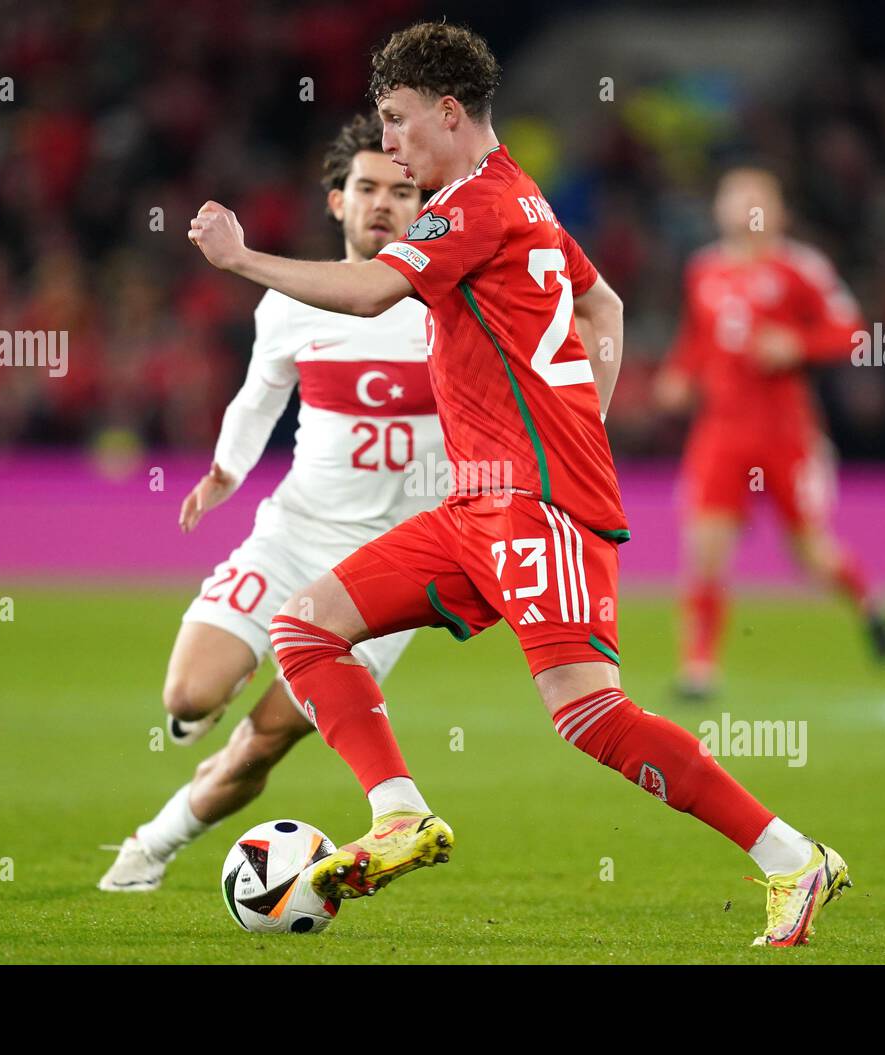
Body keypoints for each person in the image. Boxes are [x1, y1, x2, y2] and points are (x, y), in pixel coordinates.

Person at [188, 22, 851, 947]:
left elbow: (374, 291)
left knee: (590, 715)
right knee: (305, 625)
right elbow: (603, 304)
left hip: (537, 507)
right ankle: (399, 813)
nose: (391, 144)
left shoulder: (470, 208)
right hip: (478, 505)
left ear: (448, 111)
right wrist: (584, 418)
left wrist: (242, 259)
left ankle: (792, 856)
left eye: (399, 120)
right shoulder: (520, 199)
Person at [100, 114, 442, 891]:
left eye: (402, 189)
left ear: (425, 206)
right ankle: (200, 709)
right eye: (366, 188)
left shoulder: (449, 308)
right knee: (188, 694)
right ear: (336, 202)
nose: (383, 203)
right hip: (291, 535)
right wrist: (225, 470)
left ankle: (148, 847)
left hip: (382, 573)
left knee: (263, 742)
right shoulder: (291, 303)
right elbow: (259, 399)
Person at [654, 167, 885, 700]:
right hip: (720, 431)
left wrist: (797, 345)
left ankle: (868, 602)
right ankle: (699, 669)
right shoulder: (704, 270)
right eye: (734, 196)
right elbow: (696, 337)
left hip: (785, 433)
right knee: (705, 548)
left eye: (755, 197)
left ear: (778, 210)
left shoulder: (800, 268)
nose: (743, 206)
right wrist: (679, 374)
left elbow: (850, 332)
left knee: (809, 554)